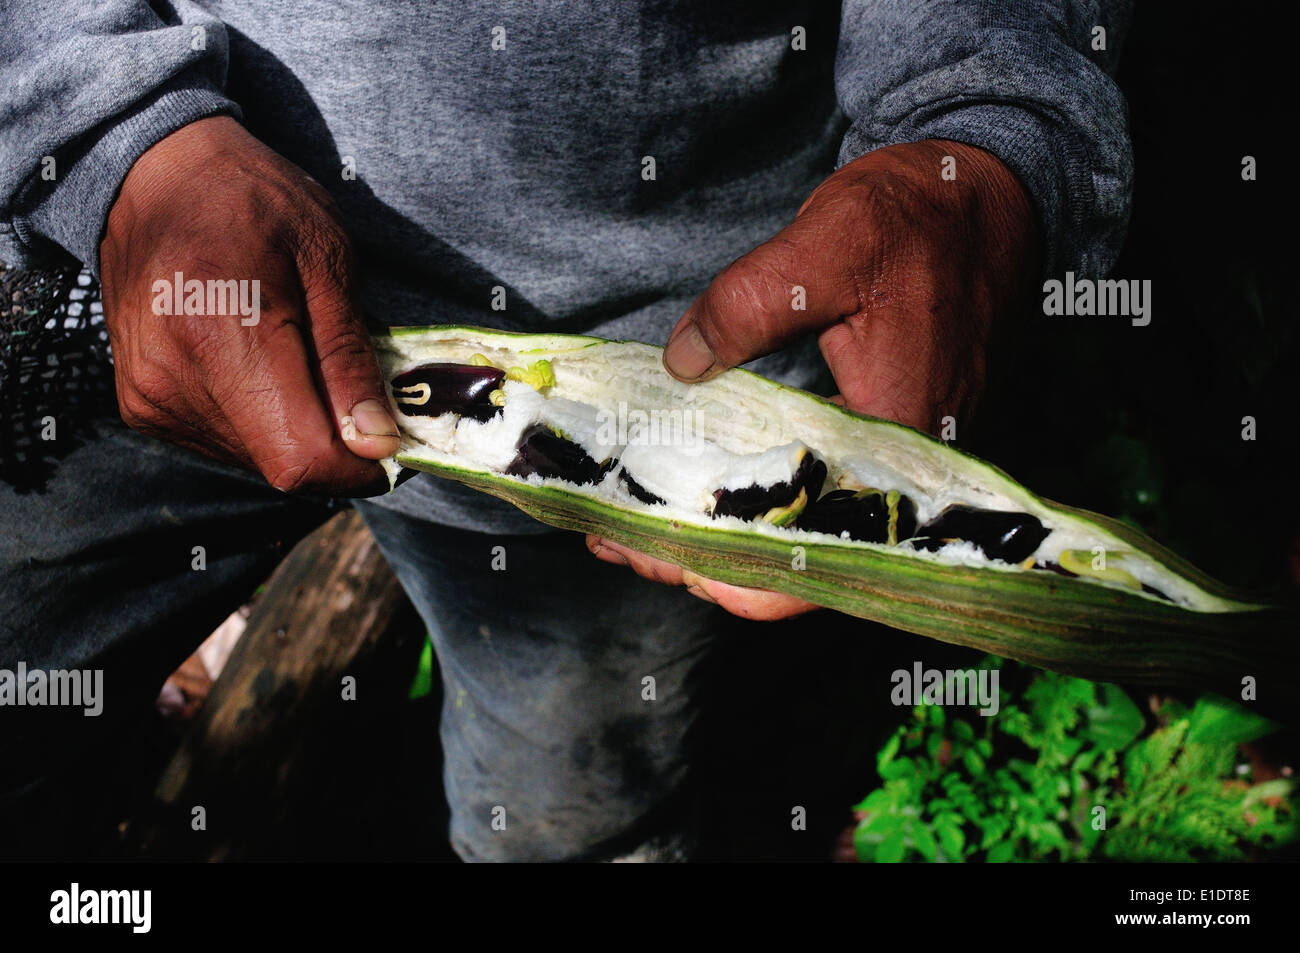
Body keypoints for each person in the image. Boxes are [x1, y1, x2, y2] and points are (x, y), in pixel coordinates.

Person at [0, 1, 1133, 861]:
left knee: (566, 816)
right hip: (145, 283)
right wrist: (114, 139)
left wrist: (981, 145)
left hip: (664, 414)